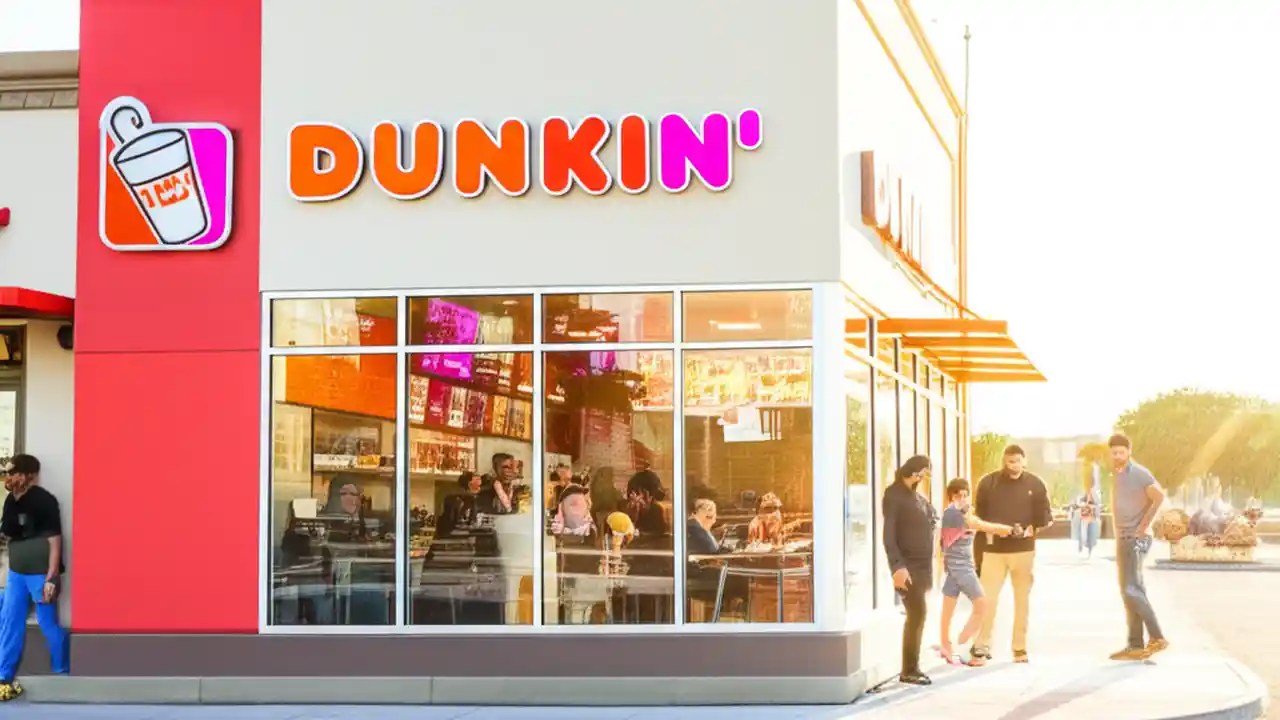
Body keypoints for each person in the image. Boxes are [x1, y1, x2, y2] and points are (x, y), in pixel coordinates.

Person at [970, 444, 1052, 664]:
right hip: (993, 550)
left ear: (1024, 461)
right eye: (1009, 462)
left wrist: (1031, 528)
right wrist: (988, 541)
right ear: (1004, 462)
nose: (1013, 466)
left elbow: (1045, 517)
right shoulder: (989, 483)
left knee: (1022, 601)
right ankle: (981, 645)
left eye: (1017, 461)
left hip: (1024, 551)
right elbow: (979, 518)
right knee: (987, 600)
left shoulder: (1035, 484)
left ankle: (1019, 648)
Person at [0, 455, 69, 701]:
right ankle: (4, 676)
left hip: (40, 575)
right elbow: (7, 533)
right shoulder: (10, 501)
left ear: (30, 475)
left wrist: (52, 576)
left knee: (48, 624)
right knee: (10, 622)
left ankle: (62, 672)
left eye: (15, 473)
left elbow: (55, 540)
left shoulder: (44, 500)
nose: (10, 478)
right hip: (16, 574)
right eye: (8, 473)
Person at [1107, 433, 1169, 661]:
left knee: (1131, 589)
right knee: (1130, 591)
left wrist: (1143, 526)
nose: (1117, 456)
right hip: (1123, 538)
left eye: (1121, 452)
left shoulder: (1139, 473)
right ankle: (1135, 645)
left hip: (1135, 539)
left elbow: (1158, 497)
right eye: (1114, 452)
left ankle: (1157, 636)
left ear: (1129, 452)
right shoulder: (1117, 474)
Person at [938, 478, 1013, 666]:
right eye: (958, 495)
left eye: (965, 495)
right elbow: (980, 525)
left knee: (948, 609)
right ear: (950, 497)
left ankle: (946, 646)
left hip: (954, 566)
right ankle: (962, 646)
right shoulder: (955, 514)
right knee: (982, 605)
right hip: (962, 567)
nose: (962, 498)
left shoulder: (954, 513)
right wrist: (1004, 529)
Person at [882, 455, 938, 686]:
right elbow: (889, 534)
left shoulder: (916, 497)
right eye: (922, 473)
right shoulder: (894, 495)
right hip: (907, 565)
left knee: (918, 615)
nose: (923, 477)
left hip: (922, 566)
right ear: (914, 471)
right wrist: (897, 566)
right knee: (917, 614)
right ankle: (909, 669)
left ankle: (911, 667)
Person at [1071, 473, 1102, 558]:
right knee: (1083, 528)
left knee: (1089, 531)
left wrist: (1091, 505)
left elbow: (1097, 503)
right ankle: (1082, 545)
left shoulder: (1094, 492)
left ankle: (1088, 548)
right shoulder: (1084, 492)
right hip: (1085, 514)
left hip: (1091, 515)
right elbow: (1079, 501)